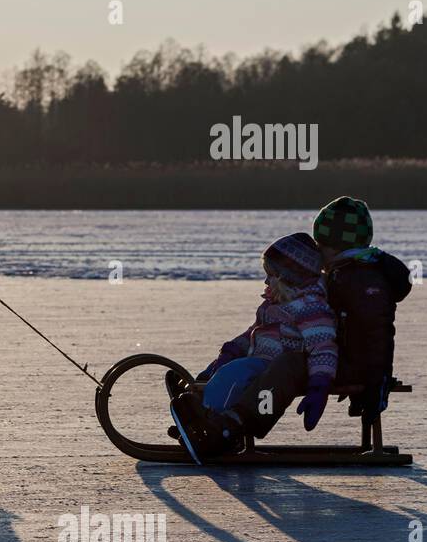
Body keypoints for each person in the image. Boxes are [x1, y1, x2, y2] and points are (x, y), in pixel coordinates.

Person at [170, 232, 338, 463]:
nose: (266, 282)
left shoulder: (310, 308)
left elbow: (323, 348)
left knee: (235, 373)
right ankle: (195, 401)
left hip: (279, 370)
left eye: (271, 276)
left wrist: (320, 385)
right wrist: (231, 350)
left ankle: (214, 424)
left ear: (288, 277)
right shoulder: (274, 304)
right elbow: (253, 332)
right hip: (259, 360)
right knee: (225, 368)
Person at [312, 195, 412, 425]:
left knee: (283, 366)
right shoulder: (345, 272)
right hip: (343, 360)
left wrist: (376, 382)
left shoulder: (362, 279)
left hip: (355, 368)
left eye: (322, 245)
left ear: (337, 246)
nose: (318, 252)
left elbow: (376, 334)